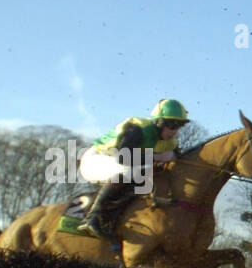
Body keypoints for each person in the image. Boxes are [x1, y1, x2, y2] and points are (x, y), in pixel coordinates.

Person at [77, 98, 189, 238]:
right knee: (129, 172)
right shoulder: (137, 130)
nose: (174, 131)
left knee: (159, 164)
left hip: (121, 162)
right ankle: (92, 218)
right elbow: (123, 158)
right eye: (171, 125)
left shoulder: (170, 143)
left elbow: (181, 165)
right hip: (95, 159)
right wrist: (152, 161)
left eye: (179, 126)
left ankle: (117, 216)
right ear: (159, 122)